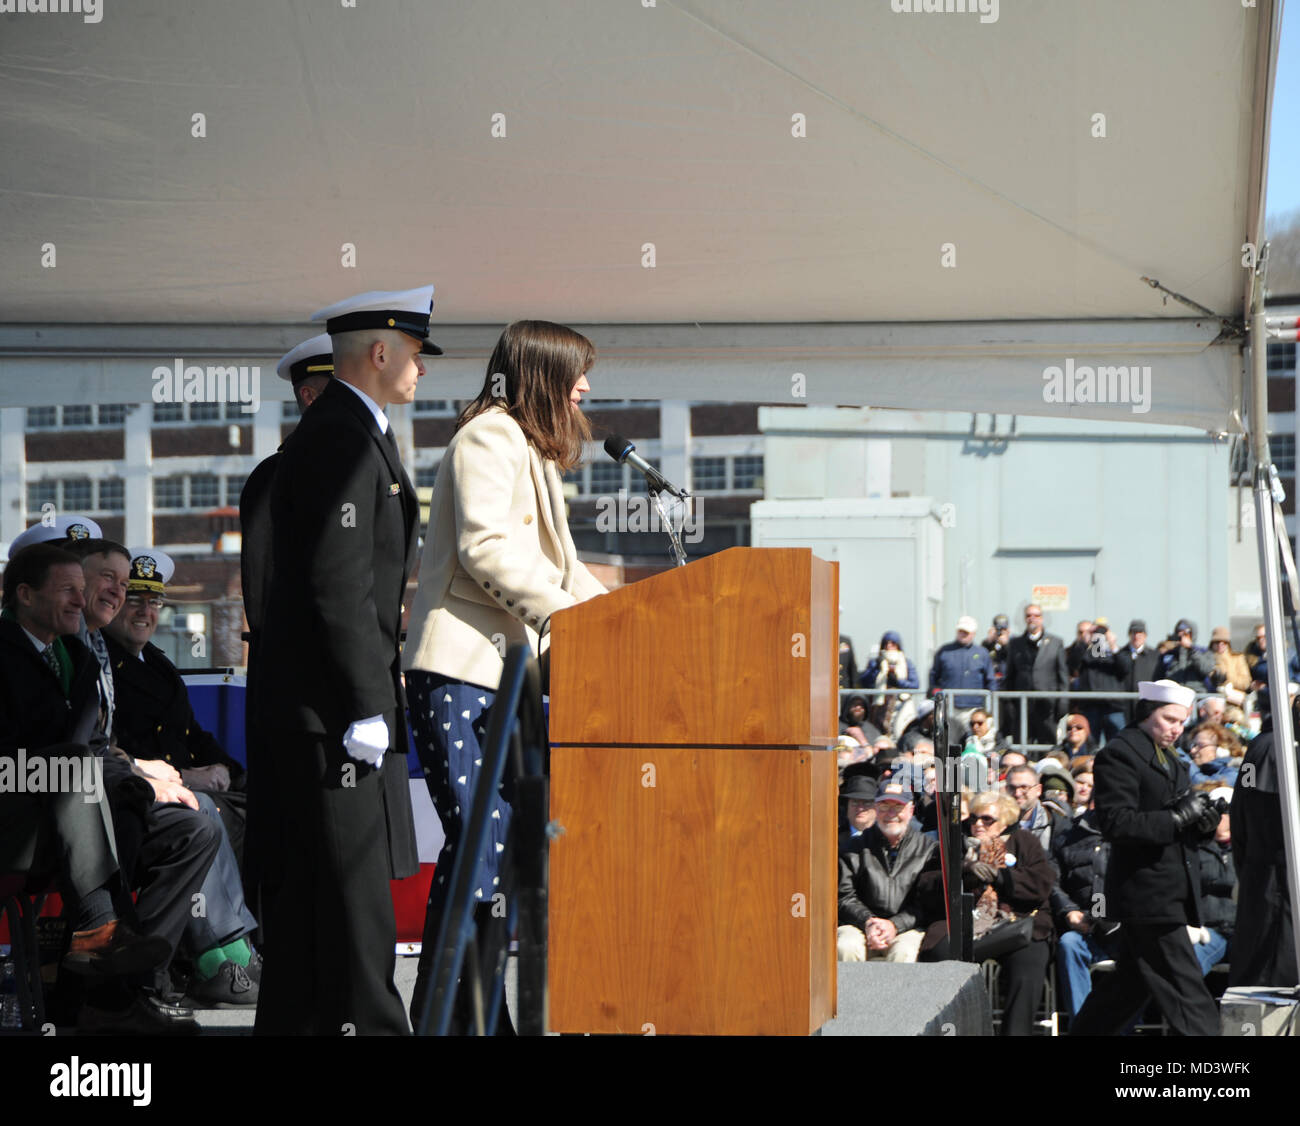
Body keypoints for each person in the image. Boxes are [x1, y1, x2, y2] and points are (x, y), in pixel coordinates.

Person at [402, 319, 609, 1031]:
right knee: (480, 849)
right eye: (576, 374)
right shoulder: (489, 436)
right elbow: (486, 548)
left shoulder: (527, 446)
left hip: (502, 678)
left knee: (490, 852)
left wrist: (622, 620)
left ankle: (464, 1014)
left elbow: (563, 571)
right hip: (461, 672)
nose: (585, 388)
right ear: (543, 374)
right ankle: (465, 1017)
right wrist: (572, 619)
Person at [252, 286, 438, 1035]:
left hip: (323, 705)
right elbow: (338, 584)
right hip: (331, 712)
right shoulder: (341, 436)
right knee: (354, 903)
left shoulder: (353, 430)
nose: (421, 368)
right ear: (381, 352)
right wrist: (365, 702)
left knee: (313, 901)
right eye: (416, 353)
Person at [0, 542, 219, 1032]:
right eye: (68, 590)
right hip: (15, 819)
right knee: (90, 783)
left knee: (188, 832)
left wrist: (131, 780)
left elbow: (98, 745)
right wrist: (90, 771)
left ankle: (122, 989)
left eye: (84, 590)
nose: (82, 601)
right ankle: (103, 949)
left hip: (71, 814)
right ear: (25, 595)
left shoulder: (76, 655)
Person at [101, 547, 260, 1007]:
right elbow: (109, 745)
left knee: (264, 807)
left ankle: (251, 947)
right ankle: (218, 959)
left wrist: (225, 769)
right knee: (201, 811)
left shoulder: (158, 664)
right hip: (133, 793)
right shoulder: (102, 663)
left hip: (177, 786)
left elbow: (195, 734)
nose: (145, 612)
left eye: (154, 602)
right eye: (134, 600)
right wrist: (189, 777)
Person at [1069, 680, 1222, 1036]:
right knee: (1187, 992)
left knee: (1126, 989)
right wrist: (1176, 819)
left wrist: (1202, 824)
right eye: (1170, 719)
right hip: (1147, 892)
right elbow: (1116, 822)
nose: (1177, 729)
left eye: (1182, 722)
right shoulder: (1120, 753)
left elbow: (1176, 821)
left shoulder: (1172, 758)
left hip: (1168, 888)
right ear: (1146, 712)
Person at [240, 335, 334, 910]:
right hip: (297, 690)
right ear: (309, 396)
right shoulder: (278, 478)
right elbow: (267, 596)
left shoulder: (349, 470)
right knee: (294, 840)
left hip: (335, 689)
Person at [918, 791, 1055, 1036]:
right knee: (941, 955)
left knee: (1027, 968)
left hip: (1017, 924)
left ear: (1005, 821)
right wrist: (964, 870)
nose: (978, 824)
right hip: (966, 924)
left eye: (987, 819)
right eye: (973, 818)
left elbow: (1041, 885)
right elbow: (926, 886)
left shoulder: (1024, 841)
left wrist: (1001, 876)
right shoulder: (955, 842)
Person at [1229, 685, 1298, 988]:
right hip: (1277, 874)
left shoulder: (1261, 744)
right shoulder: (1276, 748)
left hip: (1263, 869)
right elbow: (1253, 808)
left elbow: (1241, 808)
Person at [836, 781, 936, 963]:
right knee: (846, 946)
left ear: (911, 811)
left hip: (907, 928)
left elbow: (927, 903)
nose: (890, 814)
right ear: (875, 808)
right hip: (859, 925)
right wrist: (869, 922)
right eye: (884, 806)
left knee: (904, 953)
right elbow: (843, 896)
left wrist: (894, 925)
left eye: (898, 807)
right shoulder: (853, 847)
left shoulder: (929, 849)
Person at [1003, 603, 1069, 748]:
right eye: (1028, 615)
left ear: (1042, 618)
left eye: (1036, 615)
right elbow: (1009, 676)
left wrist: (1062, 704)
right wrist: (1009, 705)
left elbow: (1063, 676)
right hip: (1022, 706)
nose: (1032, 618)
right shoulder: (1015, 644)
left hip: (1047, 706)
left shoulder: (1055, 643)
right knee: (1022, 747)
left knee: (1048, 747)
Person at [928, 616, 995, 732]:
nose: (963, 634)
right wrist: (936, 695)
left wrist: (988, 707)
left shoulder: (982, 653)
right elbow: (934, 676)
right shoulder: (944, 651)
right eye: (961, 631)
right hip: (949, 707)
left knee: (972, 738)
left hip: (974, 708)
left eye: (966, 632)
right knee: (949, 738)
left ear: (973, 633)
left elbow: (990, 681)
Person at [859, 631, 920, 739]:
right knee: (879, 733)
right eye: (886, 643)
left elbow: (914, 684)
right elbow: (864, 681)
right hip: (880, 703)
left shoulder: (906, 663)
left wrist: (897, 682)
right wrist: (876, 669)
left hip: (900, 703)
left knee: (899, 731)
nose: (889, 646)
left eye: (893, 643)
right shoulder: (875, 662)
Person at [1159, 619, 1215, 691]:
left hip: (1197, 693)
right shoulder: (1169, 655)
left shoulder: (1203, 652)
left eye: (1186, 633)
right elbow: (1159, 677)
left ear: (1192, 634)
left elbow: (1207, 669)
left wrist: (1191, 649)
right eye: (1179, 632)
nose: (1182, 636)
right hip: (1174, 693)